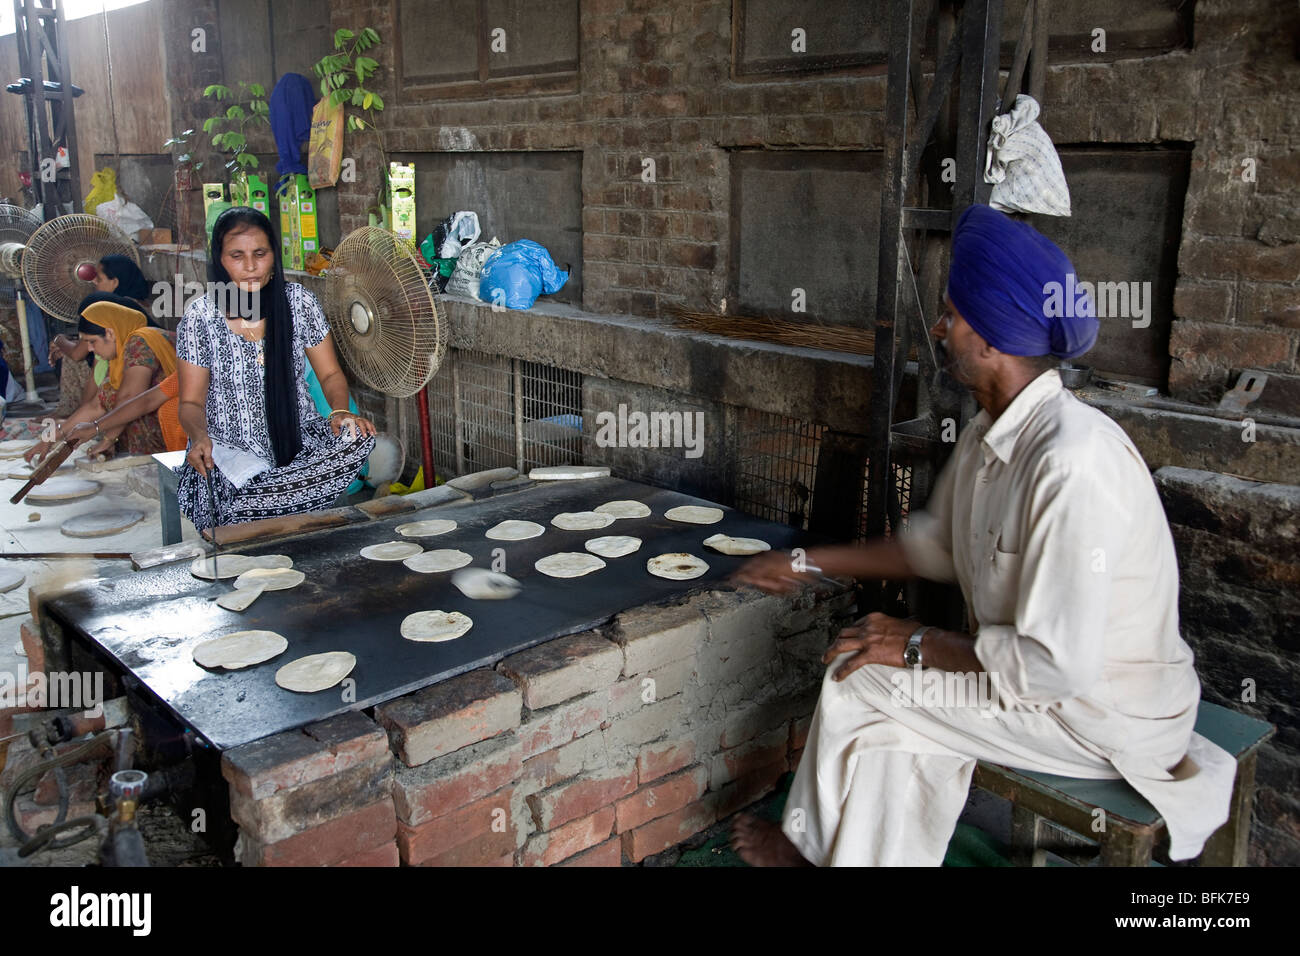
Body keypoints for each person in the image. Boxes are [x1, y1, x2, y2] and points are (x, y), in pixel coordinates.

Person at [730, 204, 1236, 867]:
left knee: (862, 681)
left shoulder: (1071, 462)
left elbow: (1058, 667)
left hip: (1097, 715)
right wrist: (805, 559)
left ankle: (803, 853)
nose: (939, 328)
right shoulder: (988, 433)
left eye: (952, 315)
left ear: (993, 338)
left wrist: (919, 643)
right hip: (1042, 691)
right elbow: (931, 547)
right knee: (886, 702)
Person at [174, 206, 375, 531]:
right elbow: (191, 403)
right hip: (231, 447)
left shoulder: (299, 303)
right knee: (227, 479)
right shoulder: (201, 318)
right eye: (237, 255)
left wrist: (341, 411)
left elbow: (329, 374)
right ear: (220, 260)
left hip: (299, 438)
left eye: (260, 253)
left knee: (358, 439)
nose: (251, 266)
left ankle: (262, 505)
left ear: (273, 256)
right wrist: (198, 437)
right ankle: (277, 500)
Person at [26, 298, 179, 461]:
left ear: (110, 333)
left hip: (173, 435)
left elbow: (130, 397)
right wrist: (53, 436)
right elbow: (96, 405)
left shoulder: (141, 342)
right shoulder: (118, 357)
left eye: (92, 341)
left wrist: (106, 436)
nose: (90, 349)